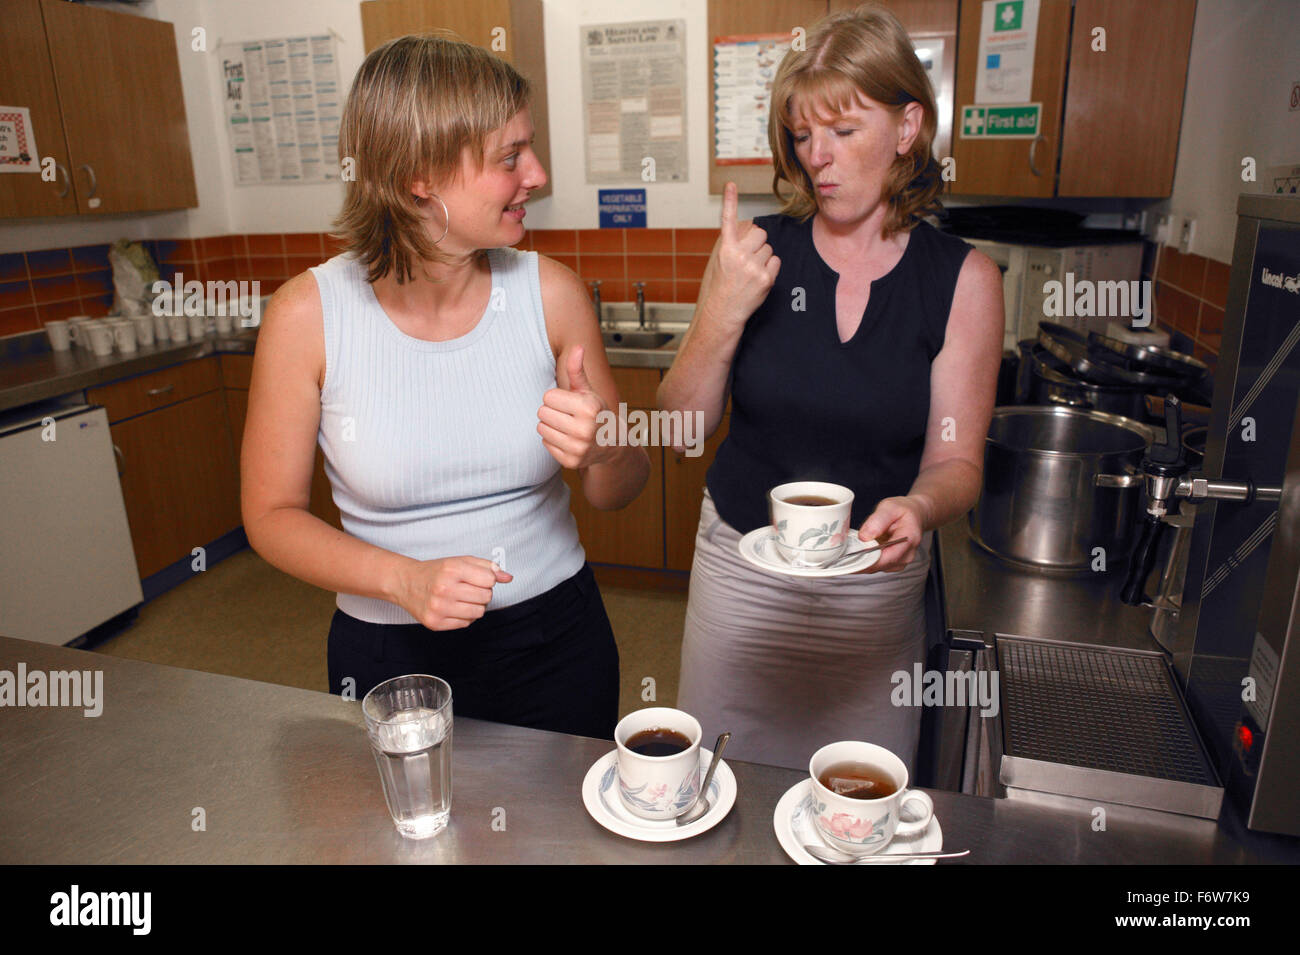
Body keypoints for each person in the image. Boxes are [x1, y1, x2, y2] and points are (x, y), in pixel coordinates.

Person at [241, 34, 649, 740]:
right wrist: (404, 579)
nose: (539, 174)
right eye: (510, 156)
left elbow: (622, 484)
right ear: (419, 176)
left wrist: (605, 451)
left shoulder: (550, 293)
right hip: (390, 653)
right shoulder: (306, 316)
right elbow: (271, 516)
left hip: (555, 639)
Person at [657, 4, 1003, 773]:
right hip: (741, 580)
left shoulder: (962, 280)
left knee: (855, 803)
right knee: (717, 783)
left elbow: (957, 465)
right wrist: (720, 310)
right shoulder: (753, 253)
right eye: (804, 135)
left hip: (872, 595)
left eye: (844, 132)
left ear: (907, 127)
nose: (820, 157)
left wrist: (920, 506)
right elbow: (678, 433)